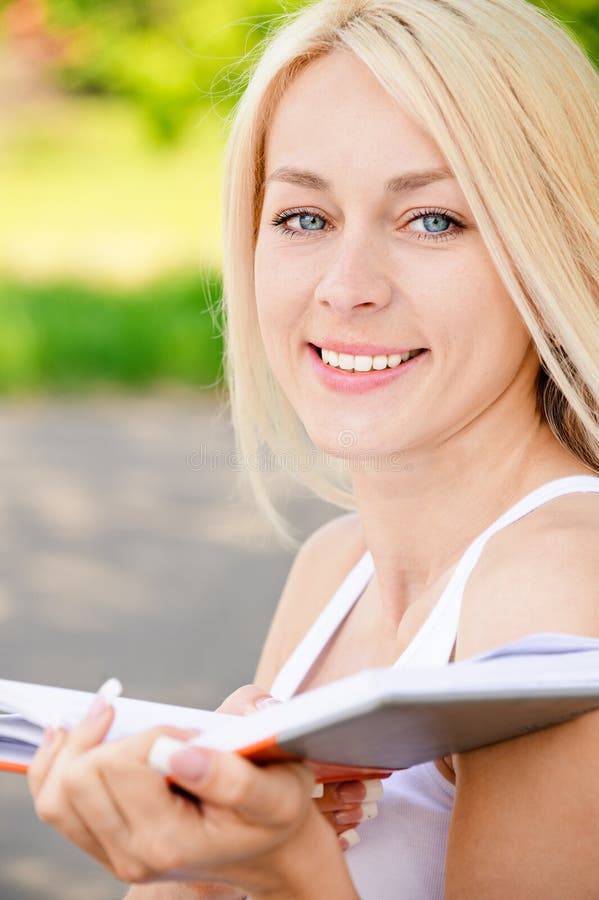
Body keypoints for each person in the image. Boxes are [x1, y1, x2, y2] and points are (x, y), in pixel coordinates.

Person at [27, 0, 599, 897]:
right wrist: (191, 859)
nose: (346, 288)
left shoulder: (561, 588)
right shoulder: (335, 570)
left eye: (433, 220)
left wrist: (287, 866)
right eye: (303, 218)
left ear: (552, 246)